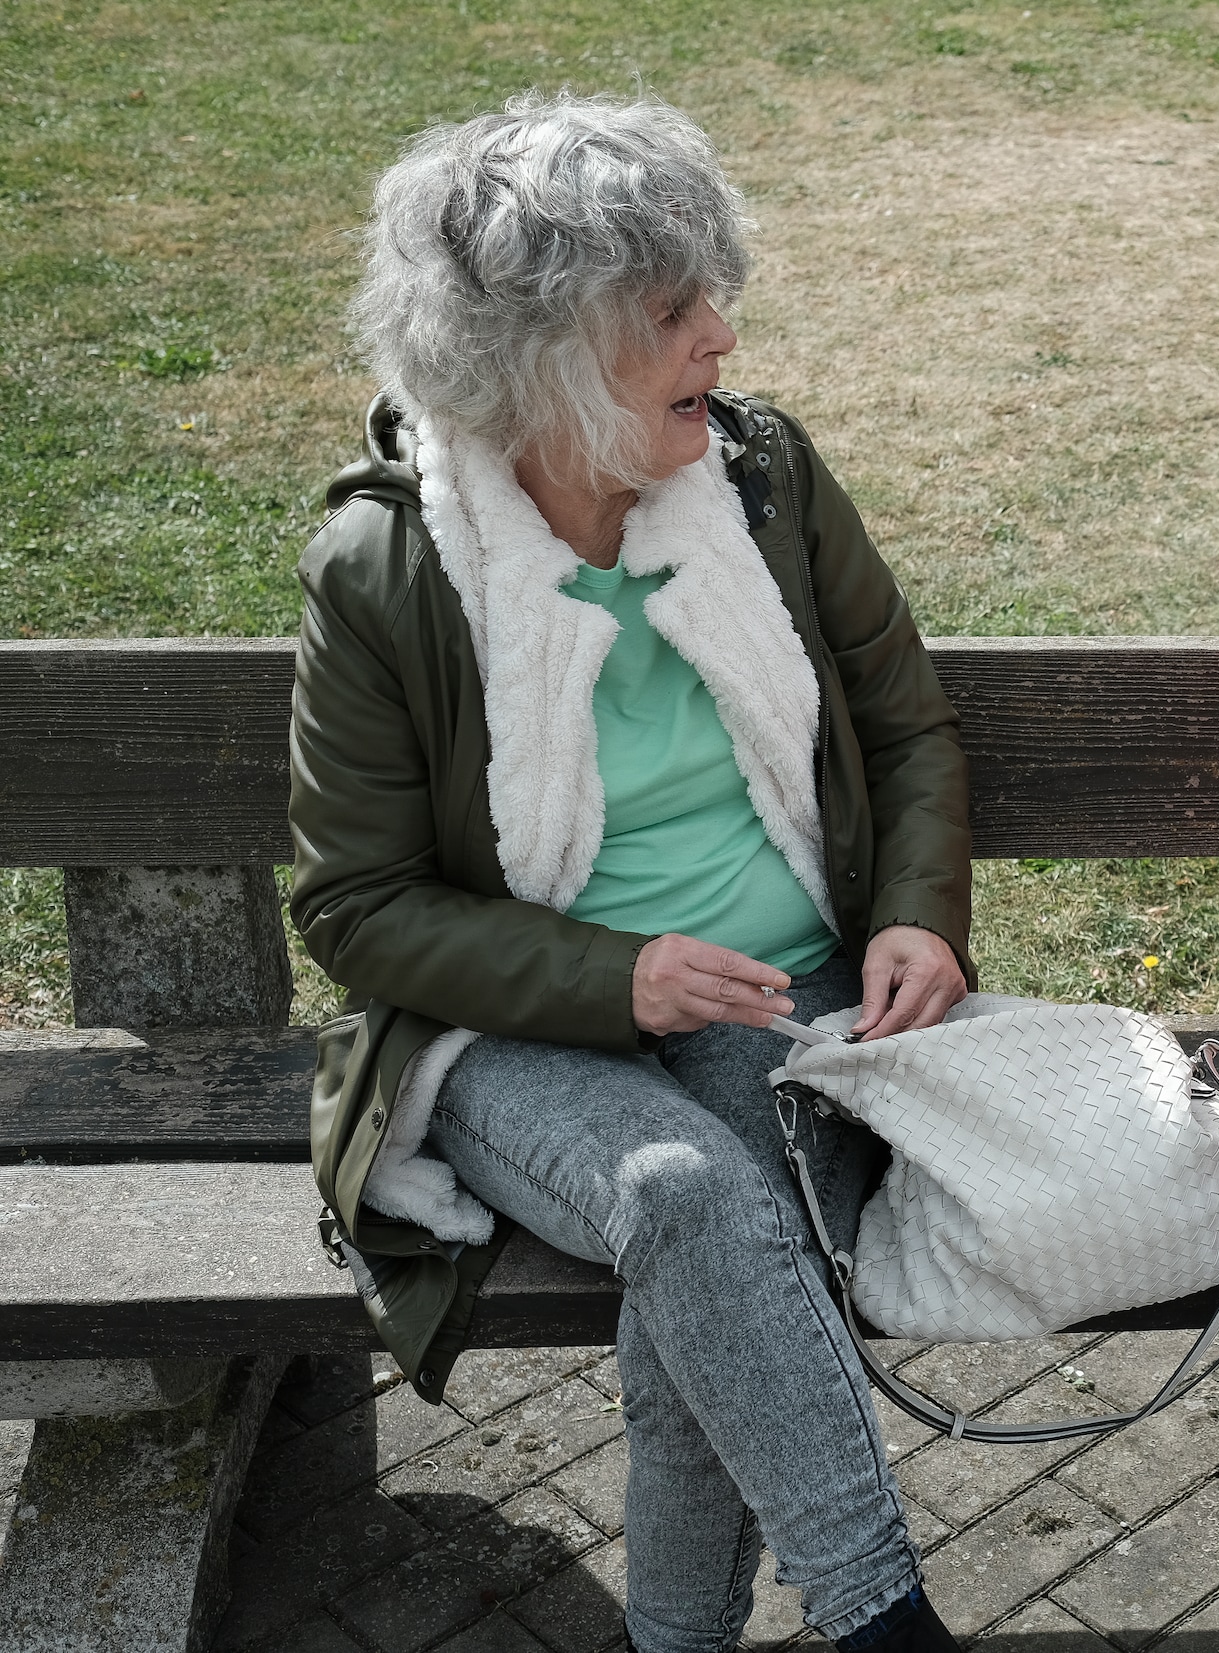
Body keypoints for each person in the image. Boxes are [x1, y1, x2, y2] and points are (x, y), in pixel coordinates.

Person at [294, 93, 972, 1653]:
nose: (721, 339)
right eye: (670, 312)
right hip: (511, 1028)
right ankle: (884, 1616)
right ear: (541, 354)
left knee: (709, 1290)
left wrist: (918, 916)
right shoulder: (393, 567)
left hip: (776, 1004)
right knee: (685, 1198)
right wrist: (621, 976)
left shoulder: (765, 482)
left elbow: (906, 725)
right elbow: (354, 907)